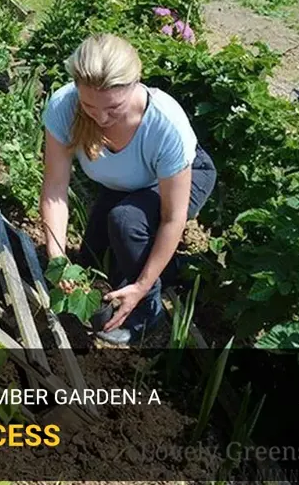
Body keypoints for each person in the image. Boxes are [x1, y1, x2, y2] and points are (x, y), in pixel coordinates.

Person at [40, 32, 217, 345]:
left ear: (136, 84)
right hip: (128, 184)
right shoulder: (64, 108)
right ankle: (175, 267)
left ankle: (149, 314)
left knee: (126, 223)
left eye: (113, 108)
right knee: (90, 262)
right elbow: (55, 188)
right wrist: (56, 256)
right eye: (90, 106)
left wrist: (141, 287)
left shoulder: (165, 126)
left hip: (181, 180)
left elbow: (171, 218)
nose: (102, 118)